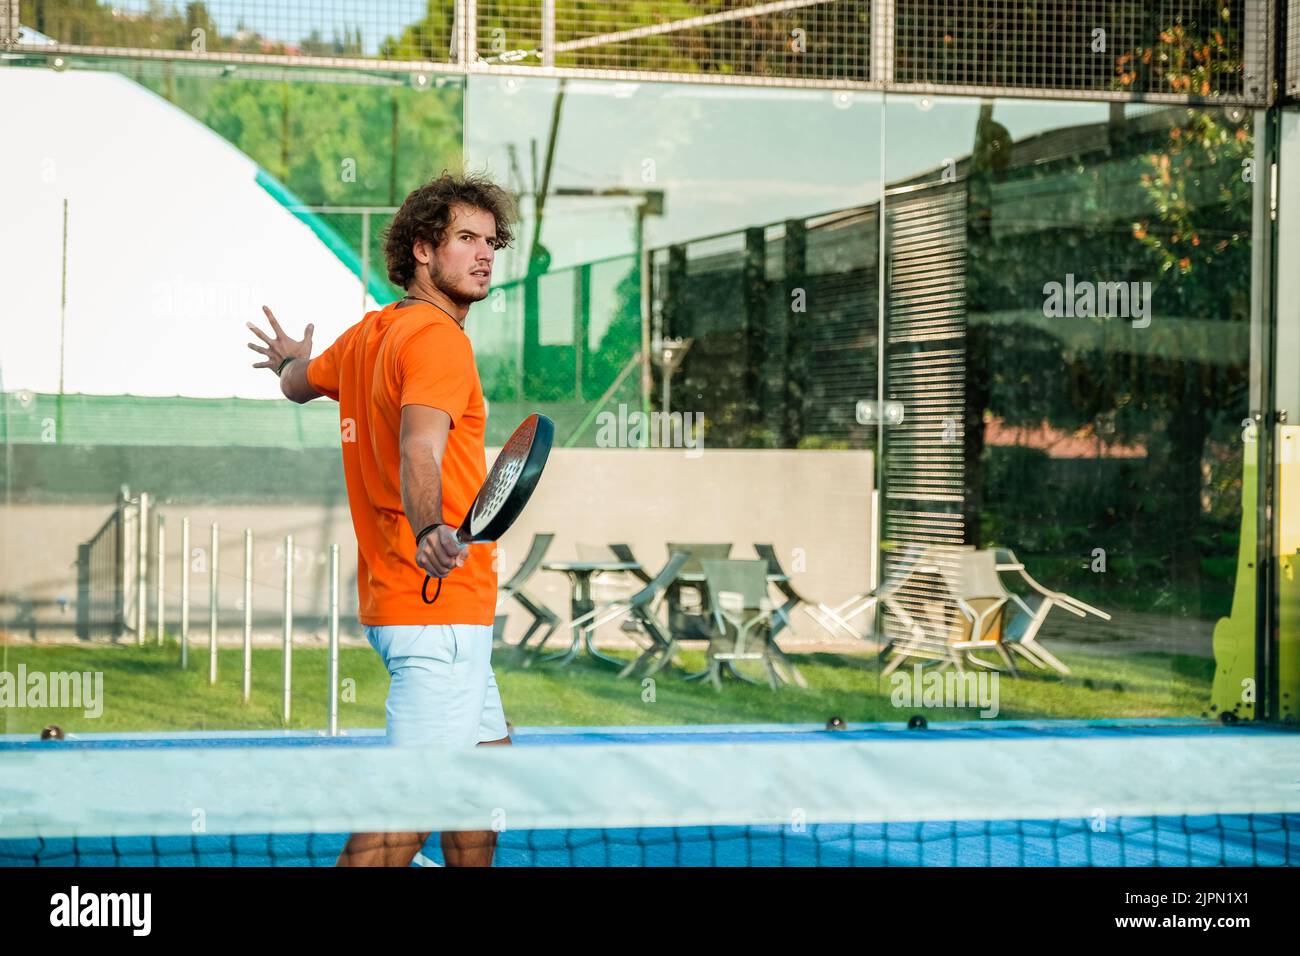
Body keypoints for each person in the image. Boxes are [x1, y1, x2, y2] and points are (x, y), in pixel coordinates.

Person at [246, 171, 518, 867]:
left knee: (482, 781)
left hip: (419, 610)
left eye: (492, 242)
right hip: (438, 610)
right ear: (423, 249)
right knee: (408, 811)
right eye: (465, 239)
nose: (485, 254)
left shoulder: (369, 335)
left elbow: (298, 385)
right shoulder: (436, 340)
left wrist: (291, 361)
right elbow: (419, 446)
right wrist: (431, 529)